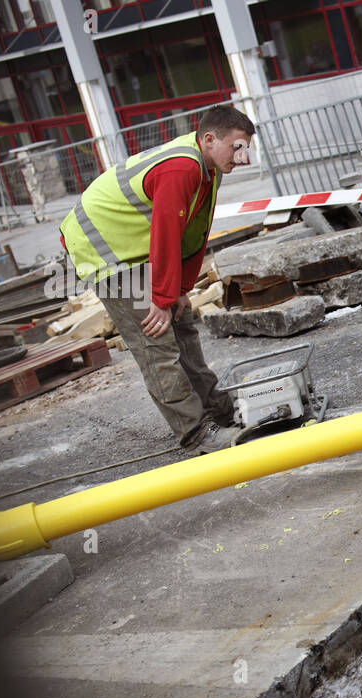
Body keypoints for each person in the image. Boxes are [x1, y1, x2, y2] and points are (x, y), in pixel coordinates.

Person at [59, 106, 256, 452]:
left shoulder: (207, 168)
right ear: (209, 139)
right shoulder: (182, 167)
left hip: (135, 250)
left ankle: (220, 412)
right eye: (237, 147)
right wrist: (162, 299)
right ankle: (197, 435)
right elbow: (165, 233)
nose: (244, 158)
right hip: (109, 254)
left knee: (185, 332)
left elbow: (194, 232)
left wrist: (179, 290)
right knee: (158, 345)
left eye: (246, 149)